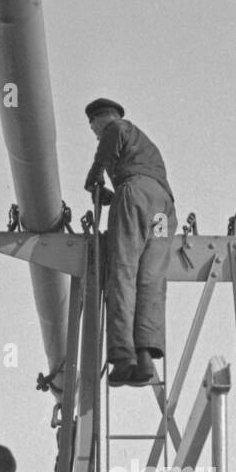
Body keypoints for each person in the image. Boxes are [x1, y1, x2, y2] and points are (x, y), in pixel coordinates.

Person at [83, 98, 177, 388]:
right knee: (150, 280)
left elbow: (113, 135)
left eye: (94, 129)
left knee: (123, 273)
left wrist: (94, 176)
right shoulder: (146, 146)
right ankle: (145, 355)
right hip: (163, 208)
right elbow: (142, 175)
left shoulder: (118, 127)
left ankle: (123, 357)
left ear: (98, 120)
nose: (97, 134)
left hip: (134, 194)